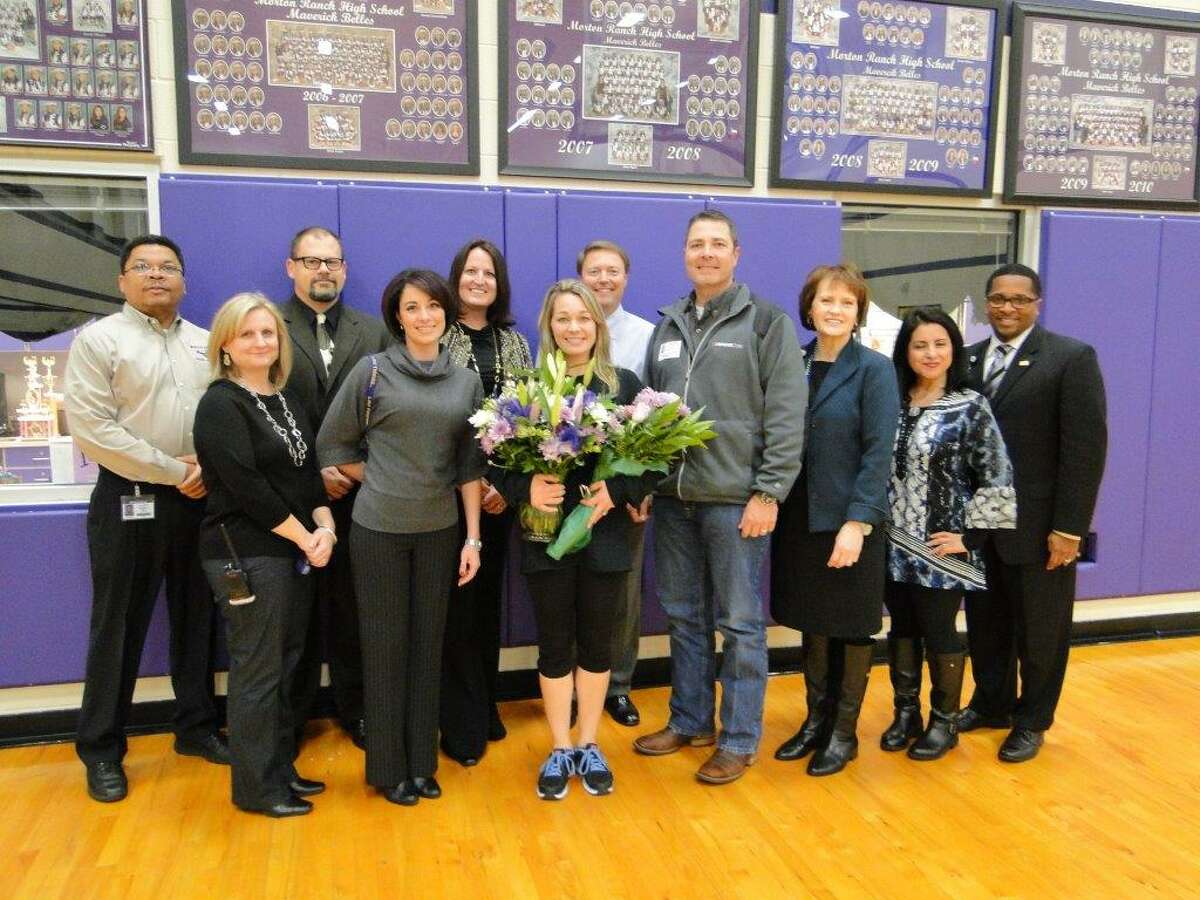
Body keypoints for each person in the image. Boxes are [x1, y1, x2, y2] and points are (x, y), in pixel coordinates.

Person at [636, 209, 807, 785]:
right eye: (695, 245)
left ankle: (738, 738)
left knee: (739, 624)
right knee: (684, 618)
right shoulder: (667, 326)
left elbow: (786, 416)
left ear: (737, 253)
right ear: (684, 254)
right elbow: (650, 417)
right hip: (674, 499)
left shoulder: (766, 324)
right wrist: (646, 483)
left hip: (737, 500)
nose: (705, 254)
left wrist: (769, 492)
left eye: (716, 244)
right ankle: (690, 720)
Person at [64, 235, 225, 804]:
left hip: (198, 497)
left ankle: (197, 728)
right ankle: (103, 751)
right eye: (143, 267)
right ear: (122, 281)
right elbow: (92, 429)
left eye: (168, 268)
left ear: (182, 280)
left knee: (198, 619)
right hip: (129, 497)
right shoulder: (100, 340)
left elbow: (224, 416)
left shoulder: (208, 344)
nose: (157, 276)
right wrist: (169, 469)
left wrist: (204, 467)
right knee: (118, 627)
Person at [318, 269, 484, 806]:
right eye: (412, 308)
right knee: (385, 650)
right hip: (378, 532)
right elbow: (333, 445)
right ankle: (389, 769)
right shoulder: (371, 372)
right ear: (397, 316)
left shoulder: (465, 380)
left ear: (447, 313)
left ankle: (421, 762)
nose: (424, 316)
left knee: (427, 648)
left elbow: (469, 467)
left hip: (440, 532)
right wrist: (386, 478)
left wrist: (473, 539)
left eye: (433, 306)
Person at [489, 280, 658, 799]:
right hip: (546, 542)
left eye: (583, 318)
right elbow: (492, 459)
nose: (574, 328)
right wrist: (526, 488)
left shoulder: (624, 385)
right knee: (556, 643)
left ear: (598, 325)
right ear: (550, 326)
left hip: (606, 539)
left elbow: (656, 460)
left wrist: (621, 488)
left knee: (599, 643)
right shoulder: (527, 388)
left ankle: (589, 742)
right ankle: (560, 747)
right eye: (563, 319)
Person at [194, 293, 335, 818]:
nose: (260, 342)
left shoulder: (284, 398)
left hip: (296, 550)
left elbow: (308, 475)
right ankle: (256, 788)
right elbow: (249, 489)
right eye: (248, 334)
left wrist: (326, 528)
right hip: (248, 555)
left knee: (287, 665)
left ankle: (278, 769)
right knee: (258, 672)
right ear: (226, 345)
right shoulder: (220, 404)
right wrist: (306, 538)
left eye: (268, 333)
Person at [961, 263, 1107, 762]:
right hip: (980, 529)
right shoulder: (967, 359)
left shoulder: (1070, 358)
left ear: (1037, 304)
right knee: (986, 624)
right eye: (999, 298)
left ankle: (1032, 719)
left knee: (1041, 632)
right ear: (987, 303)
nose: (1007, 307)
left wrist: (1069, 529)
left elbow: (1085, 450)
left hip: (1042, 527)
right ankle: (991, 703)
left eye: (1019, 299)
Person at [771, 264, 900, 776]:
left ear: (858, 313)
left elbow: (878, 452)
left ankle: (843, 733)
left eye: (847, 303)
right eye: (827, 300)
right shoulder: (793, 364)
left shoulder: (873, 368)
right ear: (810, 307)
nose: (835, 310)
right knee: (813, 620)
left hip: (850, 520)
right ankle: (814, 722)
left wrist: (859, 522)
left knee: (850, 625)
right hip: (799, 515)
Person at [882, 307, 1016, 761]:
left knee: (939, 630)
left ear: (954, 350)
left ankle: (943, 723)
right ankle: (906, 714)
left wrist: (971, 538)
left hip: (940, 547)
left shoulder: (970, 405)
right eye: (920, 345)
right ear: (906, 351)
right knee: (900, 628)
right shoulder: (890, 399)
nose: (930, 353)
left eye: (940, 344)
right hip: (891, 543)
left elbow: (997, 473)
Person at [281, 226, 389, 752]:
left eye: (333, 262)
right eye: (311, 261)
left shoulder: (373, 332)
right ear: (291, 268)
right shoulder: (265, 328)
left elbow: (390, 412)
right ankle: (292, 718)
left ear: (344, 270)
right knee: (293, 614)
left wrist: (347, 468)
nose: (323, 270)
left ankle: (358, 709)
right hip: (290, 501)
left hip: (358, 496)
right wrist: (315, 472)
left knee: (353, 610)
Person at [438, 238, 532, 766]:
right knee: (455, 610)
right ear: (455, 279)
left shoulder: (514, 343)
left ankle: (486, 702)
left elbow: (525, 419)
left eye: (489, 273)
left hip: (498, 497)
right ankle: (458, 718)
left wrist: (503, 484)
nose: (479, 280)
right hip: (445, 496)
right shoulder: (435, 334)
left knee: (487, 606)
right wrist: (473, 480)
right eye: (470, 270)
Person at [577, 239, 654, 728]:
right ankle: (570, 681)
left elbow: (657, 421)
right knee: (569, 588)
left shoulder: (648, 336)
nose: (603, 279)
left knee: (624, 591)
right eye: (594, 271)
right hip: (567, 486)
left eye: (613, 271)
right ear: (580, 276)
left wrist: (638, 490)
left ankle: (619, 686)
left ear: (626, 278)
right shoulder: (560, 329)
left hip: (623, 490)